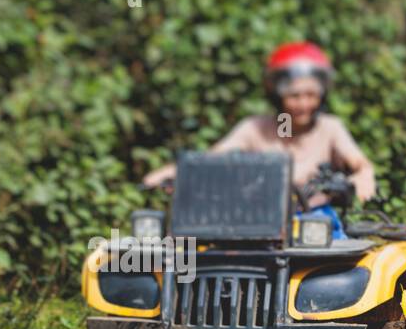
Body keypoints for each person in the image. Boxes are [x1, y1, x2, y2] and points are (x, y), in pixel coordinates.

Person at [142, 42, 377, 225]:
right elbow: (213, 157)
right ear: (277, 96)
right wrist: (174, 172)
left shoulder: (330, 128)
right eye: (294, 96)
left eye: (310, 95)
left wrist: (362, 176)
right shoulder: (255, 128)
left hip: (313, 219)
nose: (303, 103)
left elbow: (360, 163)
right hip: (254, 219)